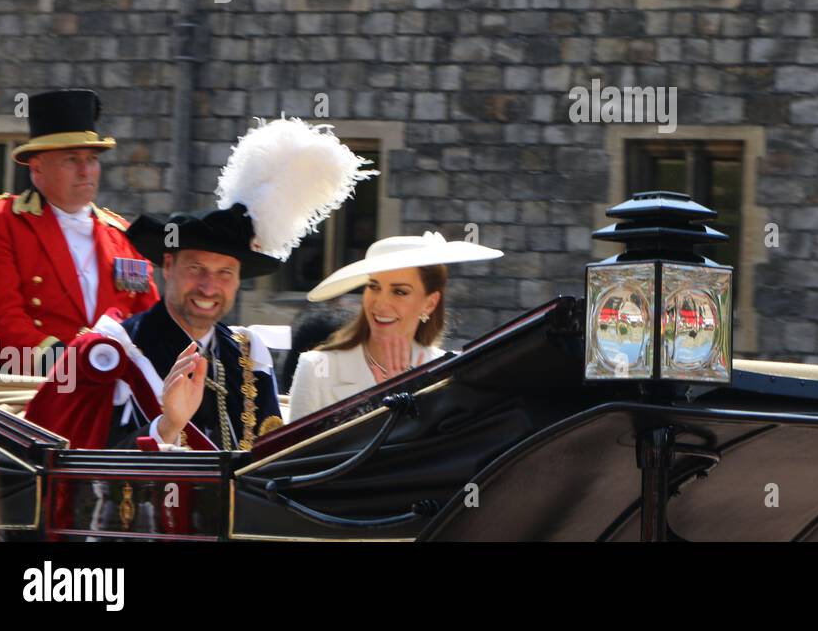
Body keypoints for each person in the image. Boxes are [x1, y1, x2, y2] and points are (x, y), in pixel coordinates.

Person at [25, 116, 376, 450]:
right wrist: (167, 427)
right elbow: (80, 470)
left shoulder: (248, 355)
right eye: (196, 269)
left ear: (239, 280)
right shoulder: (112, 351)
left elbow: (265, 459)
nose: (209, 287)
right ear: (167, 265)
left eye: (224, 272)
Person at [0, 90, 158, 372]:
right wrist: (75, 365)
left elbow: (148, 319)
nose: (86, 170)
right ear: (37, 168)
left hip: (115, 390)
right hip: (32, 391)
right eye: (71, 159)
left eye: (92, 158)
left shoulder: (123, 236)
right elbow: (0, 321)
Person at [287, 233, 501, 421]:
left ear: (430, 303)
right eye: (374, 287)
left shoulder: (445, 373)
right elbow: (295, 462)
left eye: (399, 292)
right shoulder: (316, 368)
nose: (380, 303)